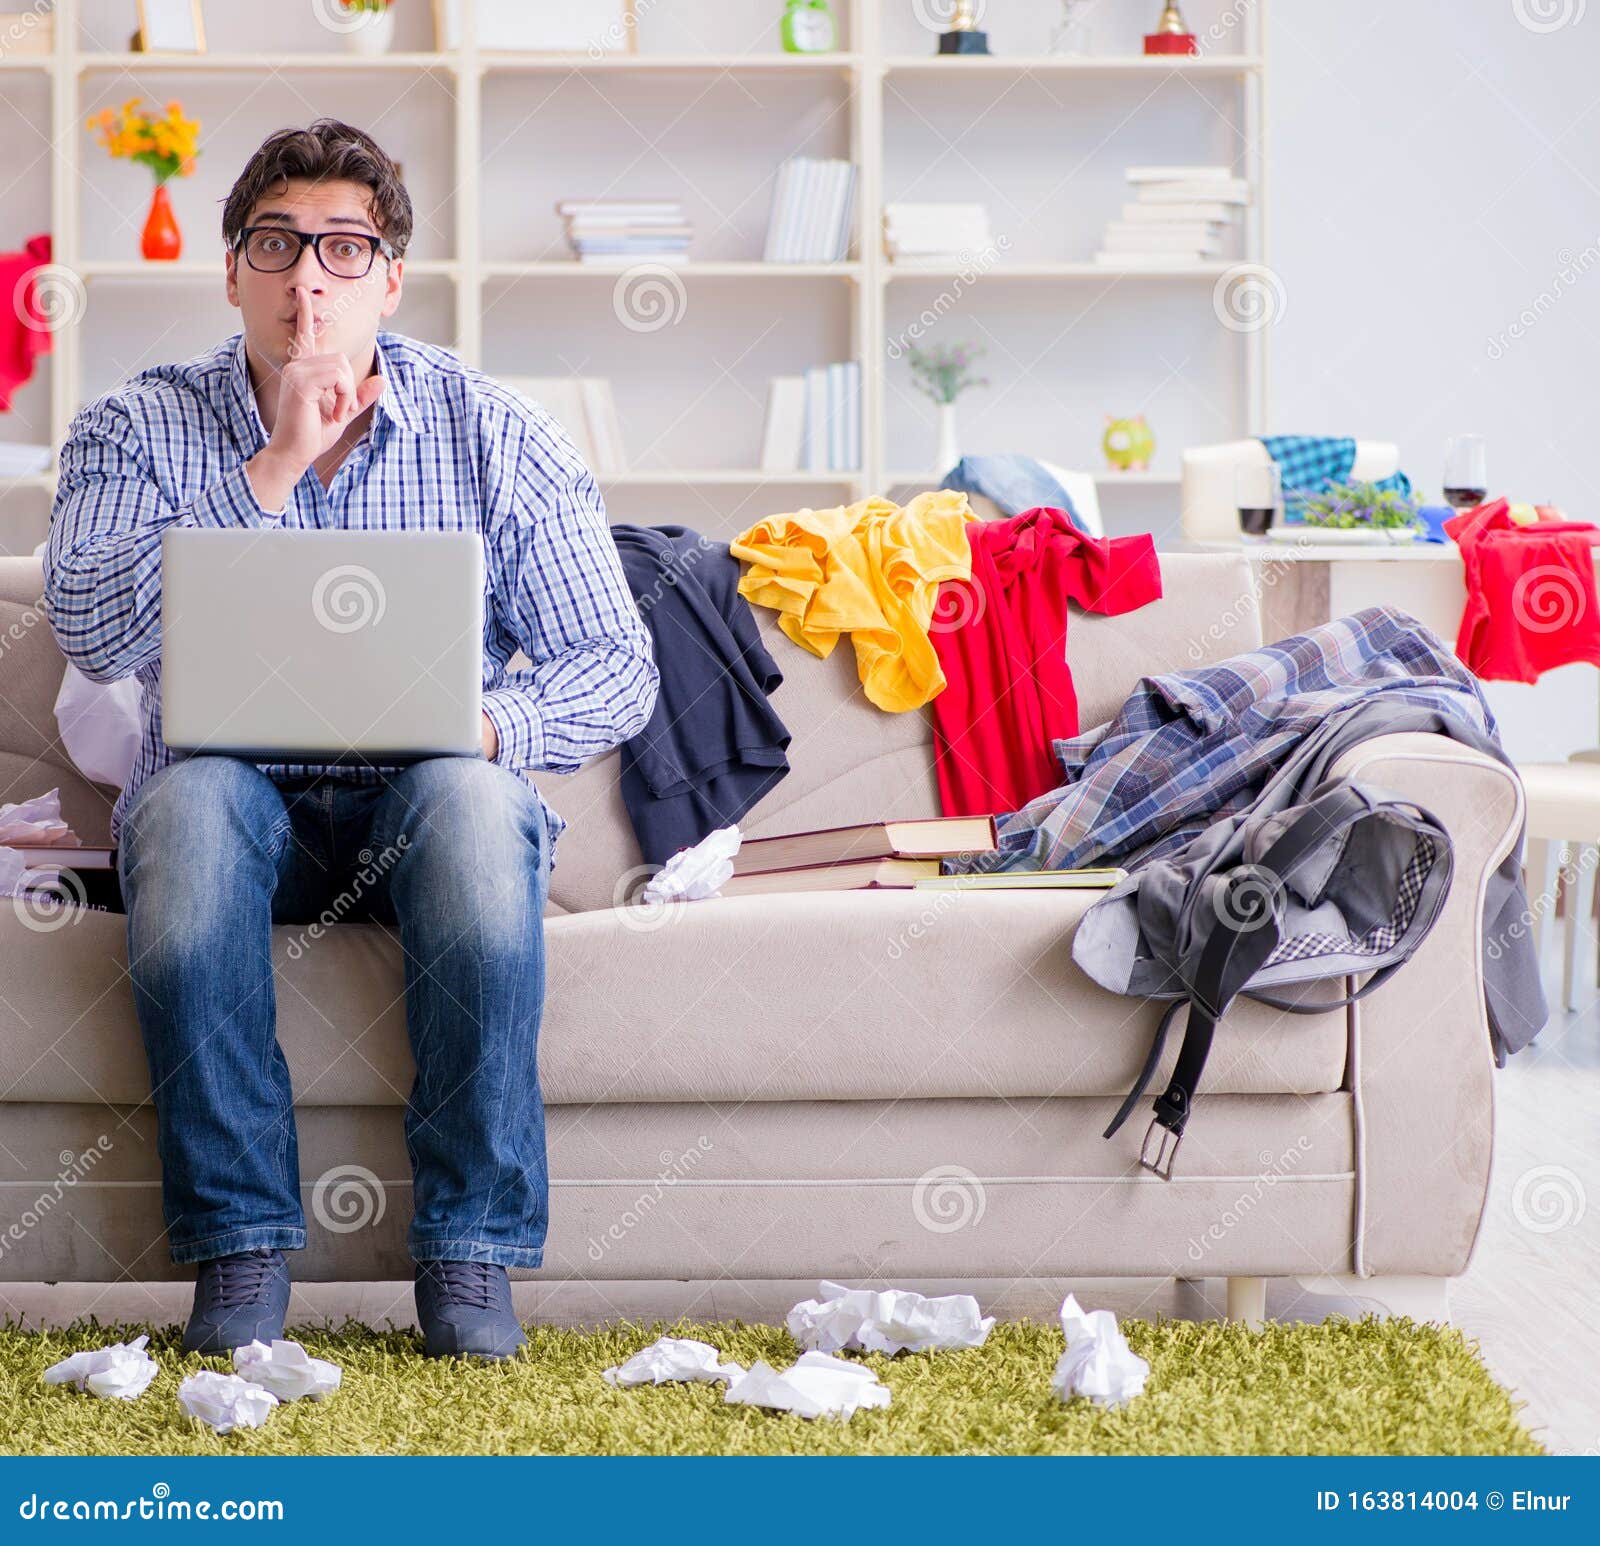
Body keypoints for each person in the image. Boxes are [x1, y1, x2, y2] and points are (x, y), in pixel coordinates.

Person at [41, 120, 658, 1360]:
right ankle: (241, 1252)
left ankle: (471, 1253)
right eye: (275, 245)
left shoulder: (495, 431)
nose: (306, 278)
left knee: (478, 802)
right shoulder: (135, 427)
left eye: (341, 248)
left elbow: (616, 665)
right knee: (192, 809)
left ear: (389, 278)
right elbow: (92, 625)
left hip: (426, 811)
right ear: (231, 273)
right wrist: (272, 469)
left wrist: (486, 722)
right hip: (230, 805)